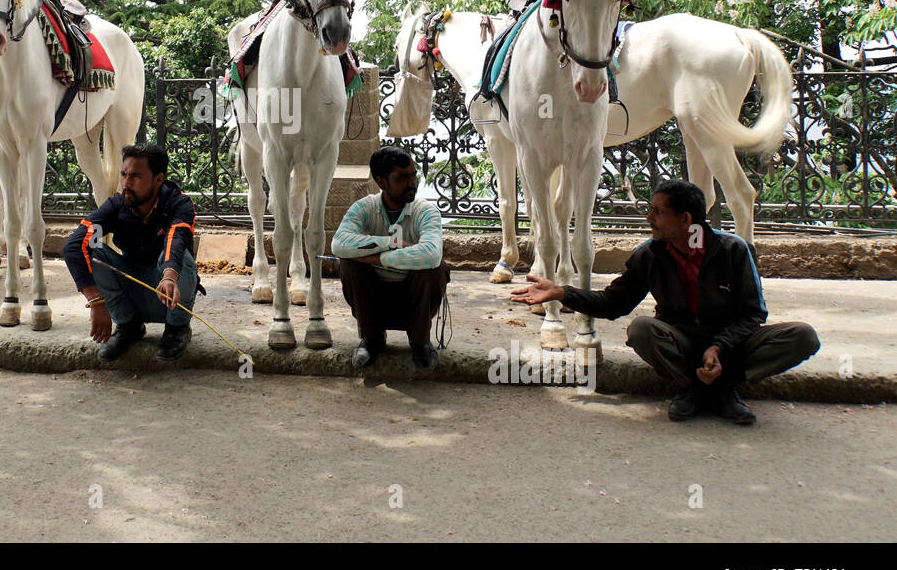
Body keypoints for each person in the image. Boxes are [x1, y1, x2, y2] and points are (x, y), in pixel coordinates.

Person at [509, 179, 820, 425]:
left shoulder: (734, 249)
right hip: (682, 344)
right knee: (642, 330)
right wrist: (563, 293)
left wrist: (719, 347)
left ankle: (717, 388)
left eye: (658, 211)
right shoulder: (649, 254)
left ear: (685, 219)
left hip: (732, 345)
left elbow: (753, 313)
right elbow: (614, 303)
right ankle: (706, 389)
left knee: (803, 336)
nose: (649, 218)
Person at [62, 143, 198, 362]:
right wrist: (95, 300)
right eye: (124, 175)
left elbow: (176, 239)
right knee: (93, 251)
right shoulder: (116, 205)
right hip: (131, 289)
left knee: (181, 257)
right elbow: (74, 246)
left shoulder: (178, 202)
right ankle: (129, 326)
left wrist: (169, 277)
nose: (126, 183)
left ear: (158, 180)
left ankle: (177, 329)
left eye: (135, 176)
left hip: (170, 294)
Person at [332, 145, 449, 370]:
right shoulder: (364, 208)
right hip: (373, 299)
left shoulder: (426, 211)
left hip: (415, 300)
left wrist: (378, 258)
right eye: (402, 178)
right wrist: (391, 243)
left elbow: (432, 254)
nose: (412, 183)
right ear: (382, 182)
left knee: (434, 269)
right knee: (349, 265)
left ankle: (420, 343)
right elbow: (339, 244)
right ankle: (371, 338)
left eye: (413, 175)